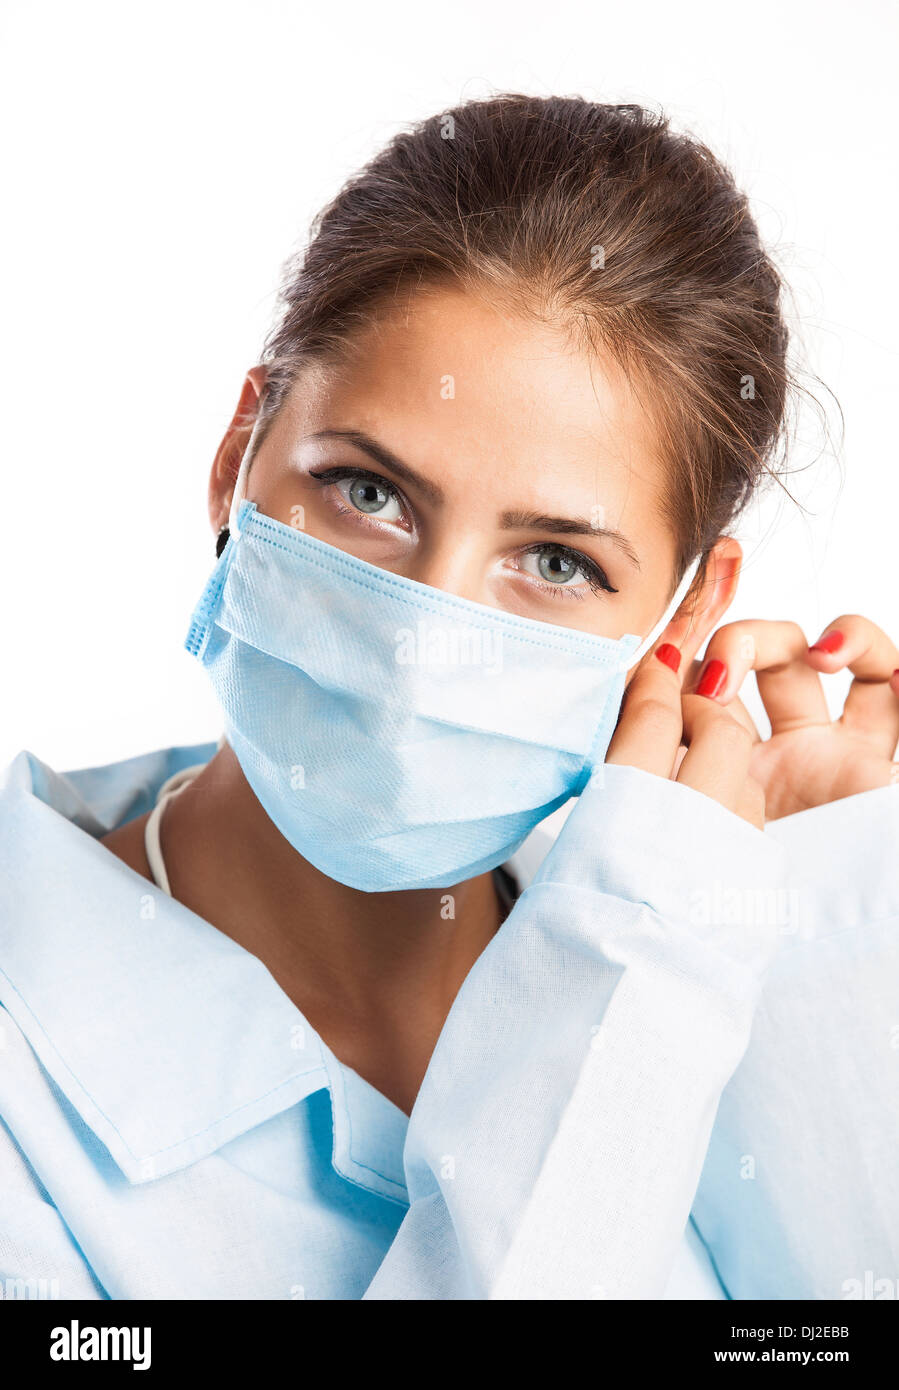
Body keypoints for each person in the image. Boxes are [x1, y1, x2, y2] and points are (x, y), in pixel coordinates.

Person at [1, 95, 897, 1301]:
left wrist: (804, 949)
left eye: (556, 562)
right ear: (238, 458)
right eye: (369, 494)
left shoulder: (699, 932)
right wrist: (633, 960)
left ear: (684, 616)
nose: (428, 643)